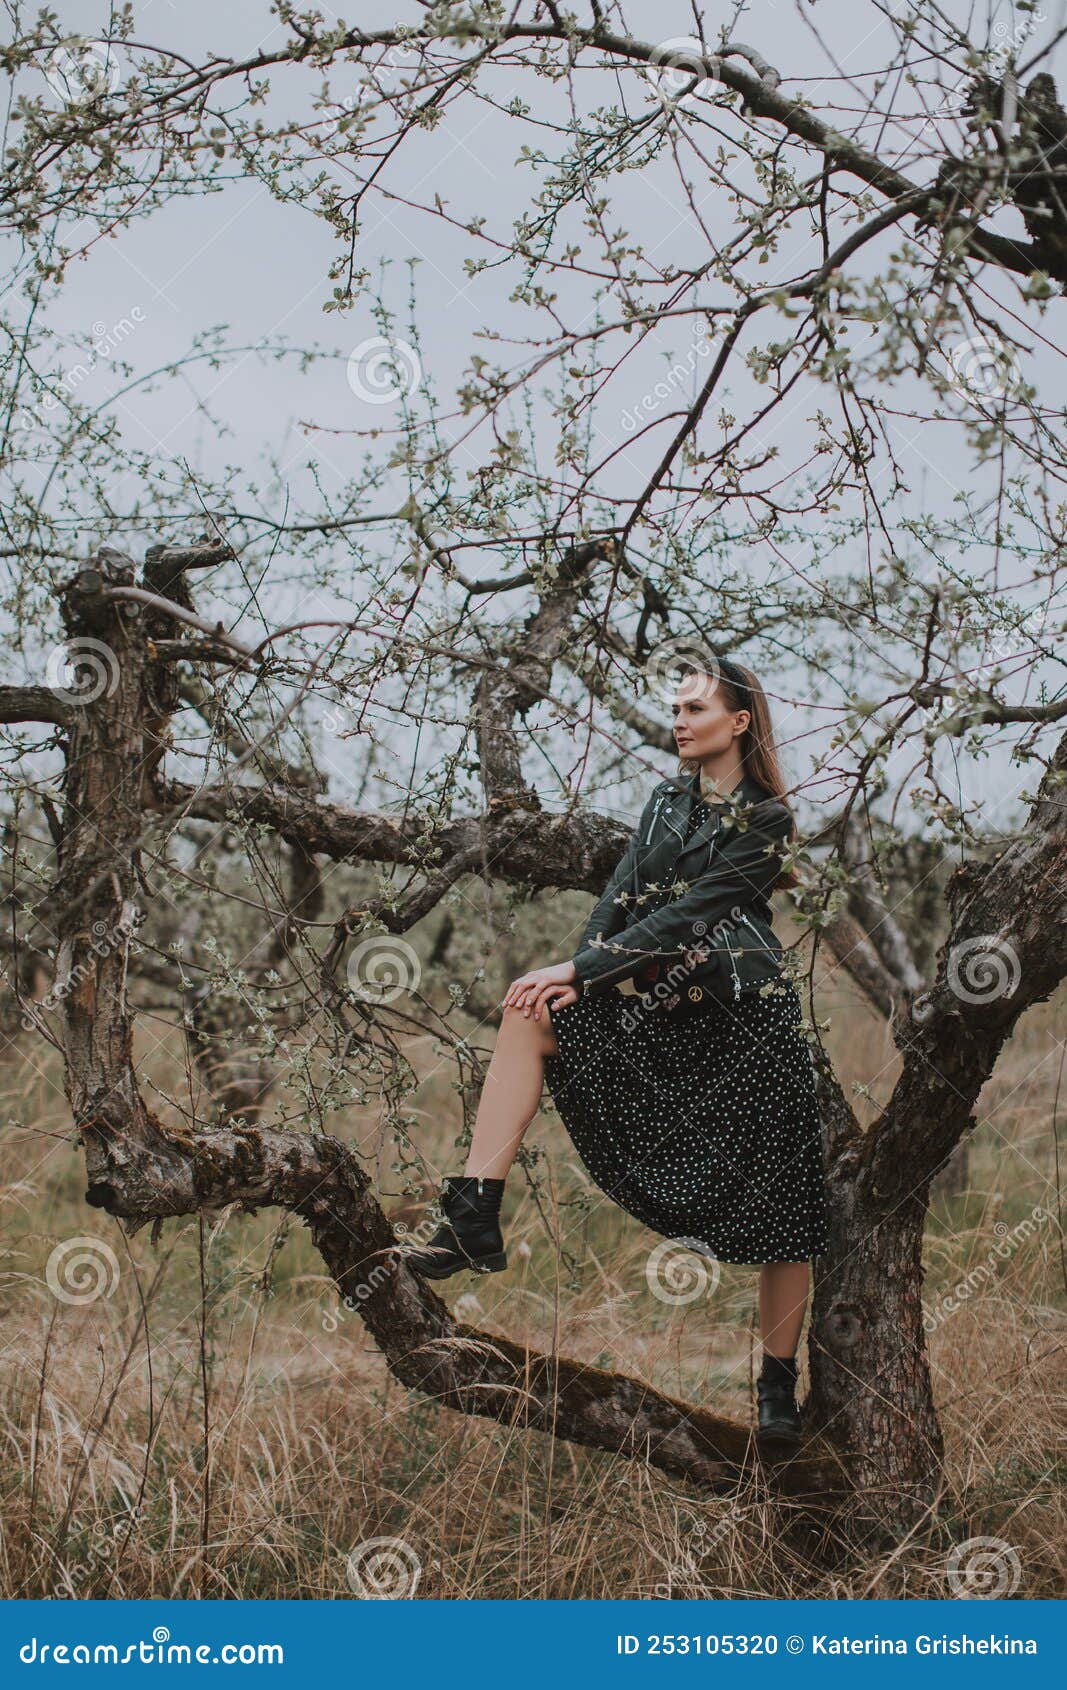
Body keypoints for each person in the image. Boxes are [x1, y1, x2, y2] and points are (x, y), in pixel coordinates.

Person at [398, 657, 829, 1442]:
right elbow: (620, 902)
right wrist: (577, 977)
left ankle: (773, 1390)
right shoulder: (666, 802)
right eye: (675, 707)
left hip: (748, 1024)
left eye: (695, 708)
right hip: (661, 1016)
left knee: (787, 1213)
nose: (679, 719)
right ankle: (471, 1215)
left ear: (737, 723)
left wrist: (583, 969)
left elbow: (694, 915)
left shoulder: (766, 820)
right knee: (528, 1014)